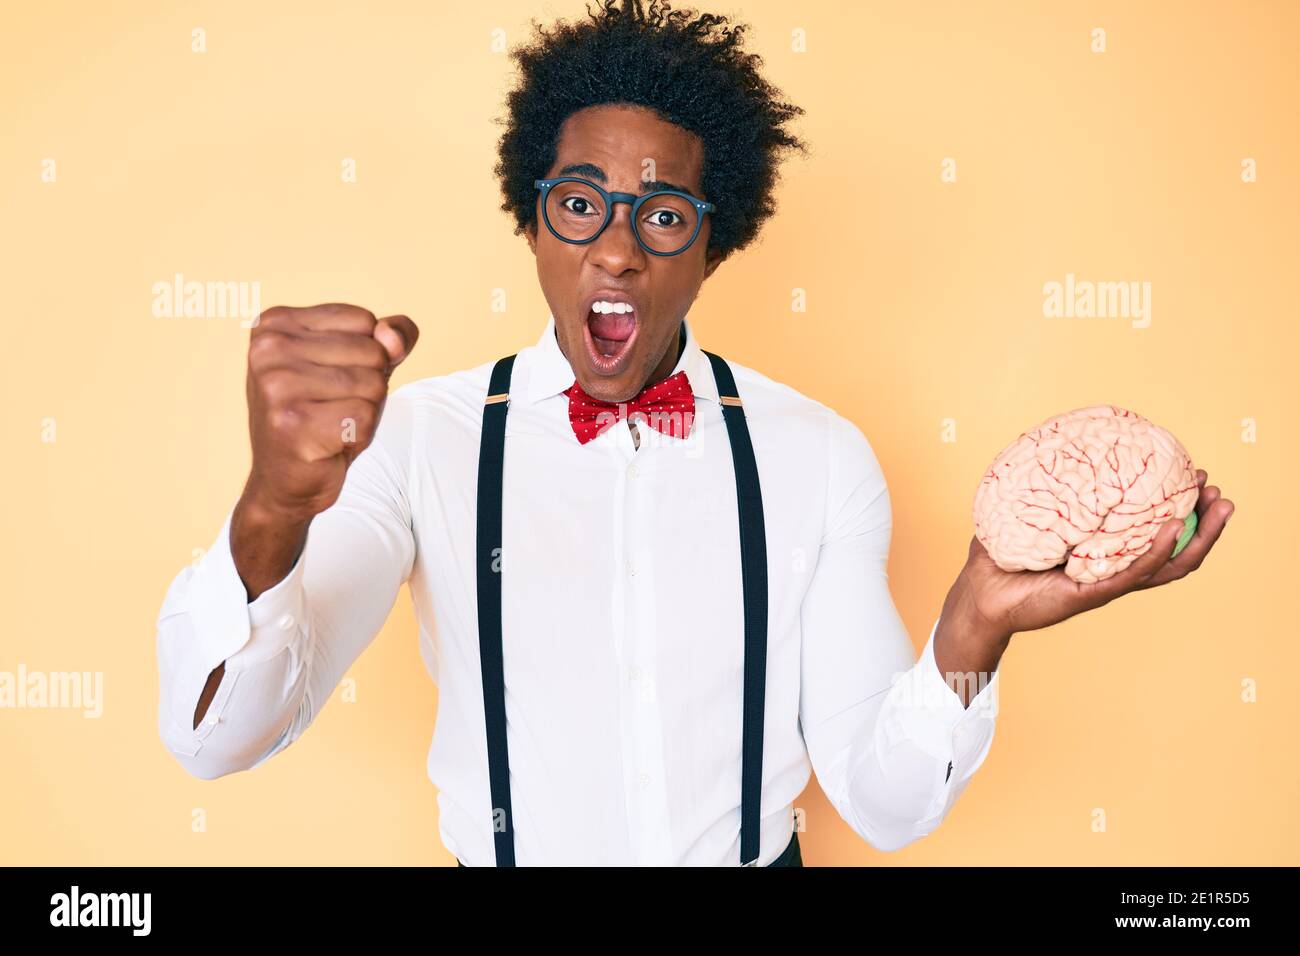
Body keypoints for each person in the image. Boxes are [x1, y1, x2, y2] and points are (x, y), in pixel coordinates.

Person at [154, 0, 1234, 866]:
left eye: (663, 214)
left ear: (713, 247)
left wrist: (973, 623)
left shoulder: (817, 455)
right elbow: (216, 742)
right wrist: (271, 513)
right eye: (579, 203)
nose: (616, 250)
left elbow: (886, 801)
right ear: (531, 222)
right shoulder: (414, 438)